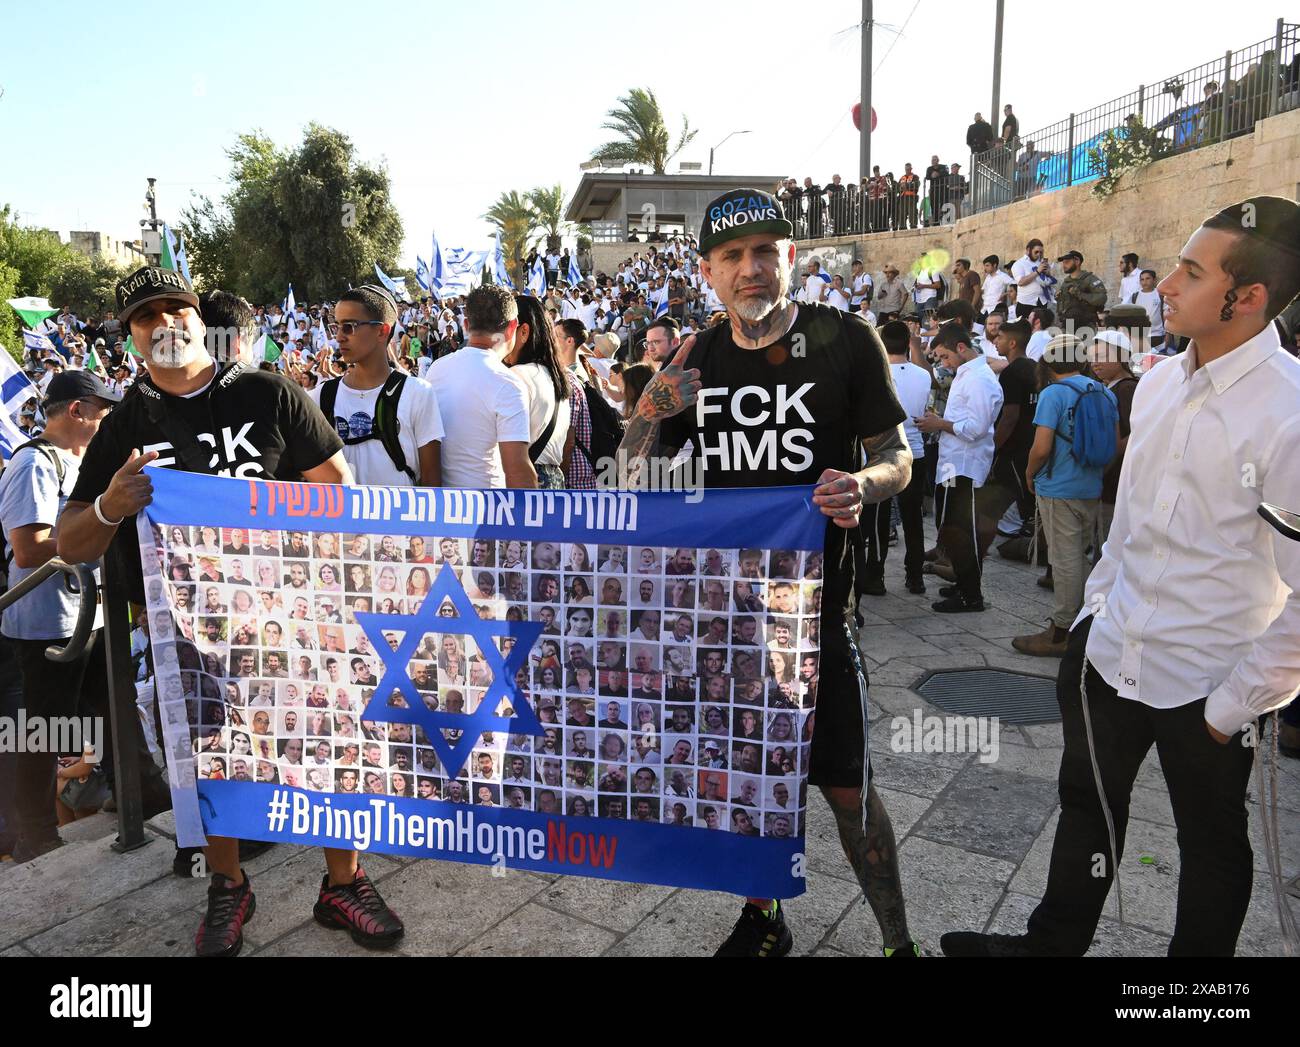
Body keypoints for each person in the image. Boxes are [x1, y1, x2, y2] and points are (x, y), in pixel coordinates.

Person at [944, 196, 1300, 958]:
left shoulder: (1291, 410)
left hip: (1207, 680)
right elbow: (1133, 519)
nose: (1166, 284)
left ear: (1248, 297)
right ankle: (1049, 946)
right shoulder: (1164, 380)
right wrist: (1092, 616)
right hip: (1109, 653)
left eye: (1191, 271)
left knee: (1211, 847)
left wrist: (1232, 705)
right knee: (1087, 808)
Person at [56, 267, 404, 957]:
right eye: (143, 316)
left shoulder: (268, 393)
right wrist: (110, 505)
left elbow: (342, 493)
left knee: (326, 746)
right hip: (188, 638)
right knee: (211, 758)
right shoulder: (127, 422)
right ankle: (227, 884)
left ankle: (344, 881)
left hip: (294, 620)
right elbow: (70, 540)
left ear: (196, 316)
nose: (163, 325)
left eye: (173, 308)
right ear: (127, 335)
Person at [618, 188, 919, 959]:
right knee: (744, 780)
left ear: (789, 257)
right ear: (709, 272)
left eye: (764, 253)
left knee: (848, 789)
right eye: (732, 257)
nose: (750, 269)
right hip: (727, 618)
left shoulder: (846, 339)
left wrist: (866, 485)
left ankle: (898, 941)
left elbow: (897, 455)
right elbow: (627, 476)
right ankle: (764, 919)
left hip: (820, 613)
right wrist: (652, 404)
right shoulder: (696, 355)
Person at [0, 371, 169, 861]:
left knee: (114, 706)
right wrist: (97, 529)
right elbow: (28, 550)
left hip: (90, 614)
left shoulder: (84, 463)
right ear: (77, 411)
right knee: (45, 728)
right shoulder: (33, 464)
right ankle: (35, 832)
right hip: (46, 623)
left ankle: (146, 795)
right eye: (103, 409)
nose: (109, 418)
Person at [1012, 333, 1117, 657]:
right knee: (1084, 554)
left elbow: (1042, 447)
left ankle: (1062, 629)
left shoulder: (1053, 394)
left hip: (1059, 487)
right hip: (1090, 485)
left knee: (1065, 558)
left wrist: (1030, 473)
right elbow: (1113, 443)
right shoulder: (1103, 391)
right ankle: (1088, 623)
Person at [309, 285, 443, 487]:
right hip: (341, 518)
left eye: (349, 326)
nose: (338, 337)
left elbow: (432, 484)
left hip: (401, 518)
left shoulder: (417, 393)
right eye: (336, 326)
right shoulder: (320, 397)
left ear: (382, 331)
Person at [916, 324, 1004, 612]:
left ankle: (971, 595)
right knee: (952, 527)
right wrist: (941, 420)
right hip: (954, 462)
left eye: (945, 357)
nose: (944, 363)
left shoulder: (979, 379)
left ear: (961, 348)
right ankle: (963, 583)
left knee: (960, 530)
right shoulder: (968, 374)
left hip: (965, 466)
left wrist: (939, 424)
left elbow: (977, 428)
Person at [427, 285, 537, 490]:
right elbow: (517, 469)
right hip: (488, 511)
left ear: (466, 324)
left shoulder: (436, 369)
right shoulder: (508, 384)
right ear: (513, 327)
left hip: (442, 507)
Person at [861, 321, 930, 596]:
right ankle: (915, 576)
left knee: (879, 516)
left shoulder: (877, 374)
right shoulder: (923, 375)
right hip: (916, 449)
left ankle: (875, 576)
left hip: (885, 451)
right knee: (914, 518)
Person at [505, 296, 571, 489]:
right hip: (555, 481)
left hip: (527, 481)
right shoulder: (556, 377)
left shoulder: (518, 375)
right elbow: (568, 444)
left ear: (524, 331)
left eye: (506, 330)